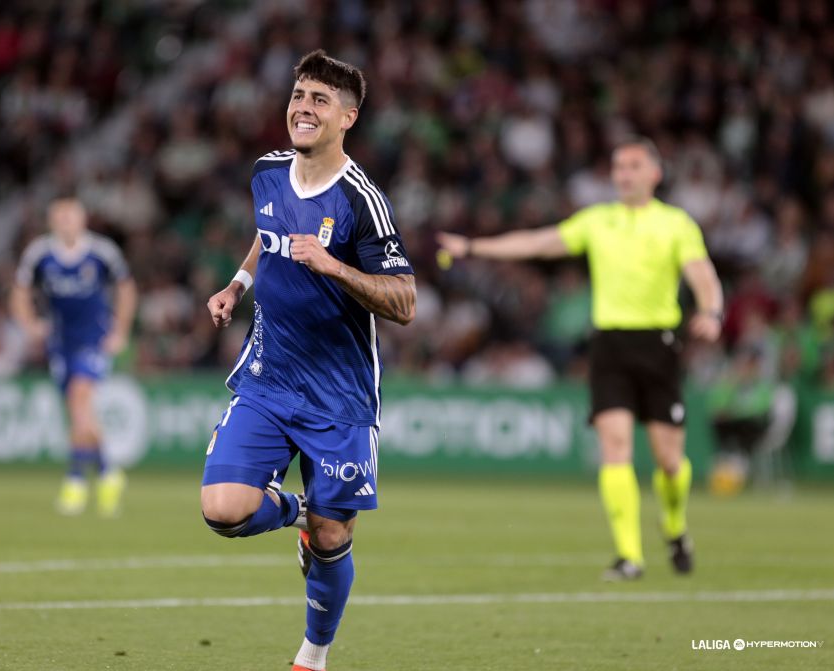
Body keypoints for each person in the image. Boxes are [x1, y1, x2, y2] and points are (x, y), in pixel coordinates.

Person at [201, 50, 415, 671]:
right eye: (299, 96)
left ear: (348, 117)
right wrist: (236, 287)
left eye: (320, 100)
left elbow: (404, 302)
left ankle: (311, 657)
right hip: (269, 377)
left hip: (338, 397)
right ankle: (296, 508)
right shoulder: (267, 171)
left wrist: (332, 265)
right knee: (223, 510)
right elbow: (265, 239)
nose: (303, 108)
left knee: (331, 539)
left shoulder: (362, 200)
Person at [438, 137, 723, 581]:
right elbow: (536, 242)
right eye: (618, 167)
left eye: (633, 166)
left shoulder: (675, 224)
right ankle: (630, 556)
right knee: (615, 448)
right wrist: (473, 248)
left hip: (658, 346)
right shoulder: (598, 221)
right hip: (609, 345)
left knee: (670, 462)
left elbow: (702, 273)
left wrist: (711, 310)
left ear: (655, 173)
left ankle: (674, 525)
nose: (624, 174)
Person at [11, 197, 137, 516]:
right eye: (61, 217)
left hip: (93, 338)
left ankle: (75, 479)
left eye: (72, 217)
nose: (67, 222)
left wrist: (120, 331)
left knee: (81, 399)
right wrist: (29, 324)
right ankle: (108, 471)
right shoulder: (39, 253)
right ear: (52, 222)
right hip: (60, 341)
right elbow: (20, 290)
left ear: (83, 221)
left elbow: (126, 289)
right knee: (78, 412)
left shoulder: (102, 252)